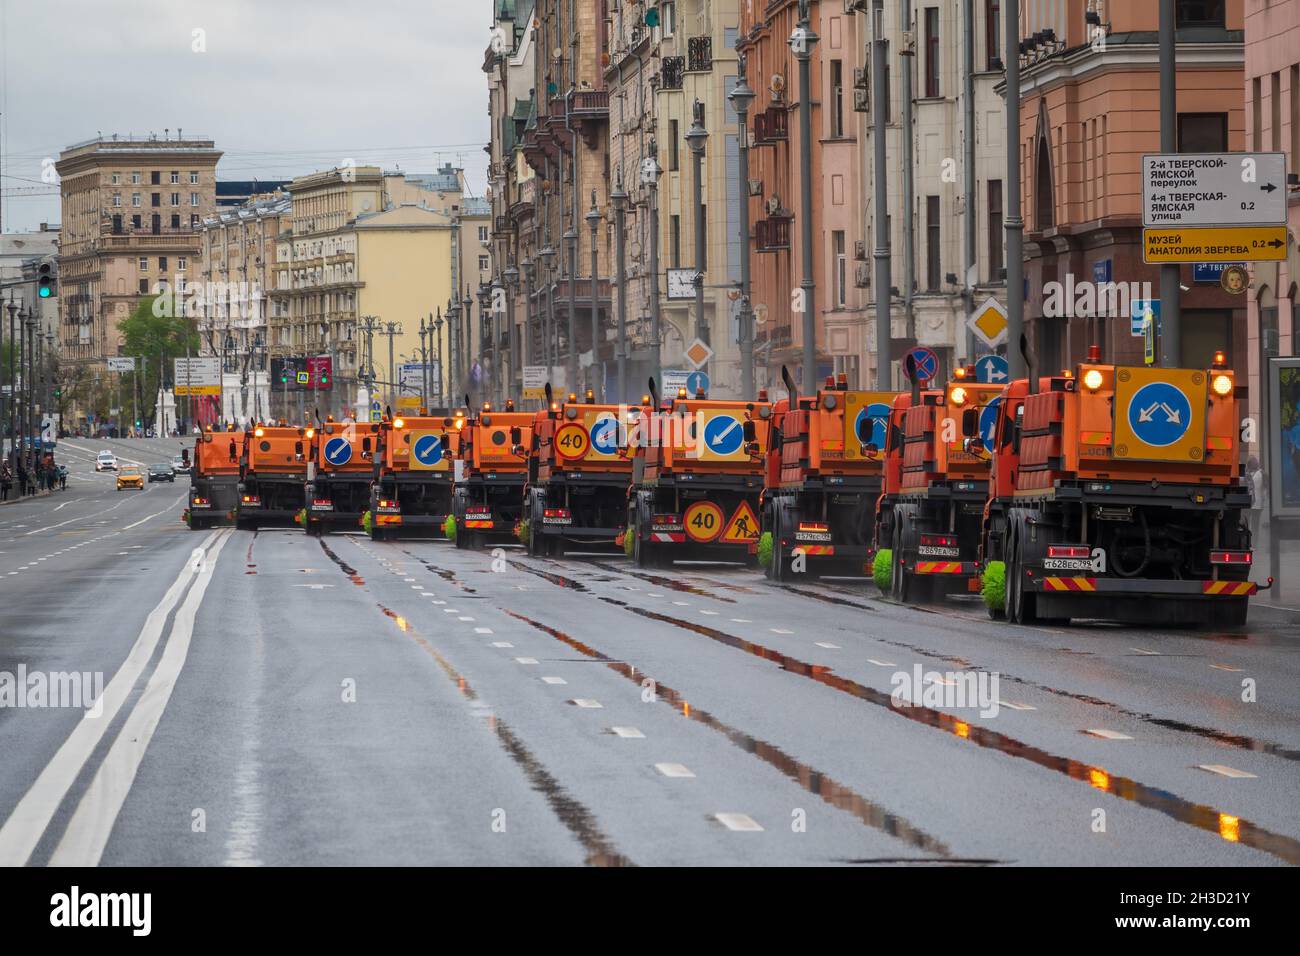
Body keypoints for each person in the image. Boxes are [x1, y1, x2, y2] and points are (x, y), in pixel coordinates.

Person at [1246, 457, 1266, 542]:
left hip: (1256, 504)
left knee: (1253, 525)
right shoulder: (1247, 473)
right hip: (1250, 503)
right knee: (1251, 525)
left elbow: (1265, 487)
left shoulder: (1261, 473)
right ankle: (1251, 543)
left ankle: (1253, 543)